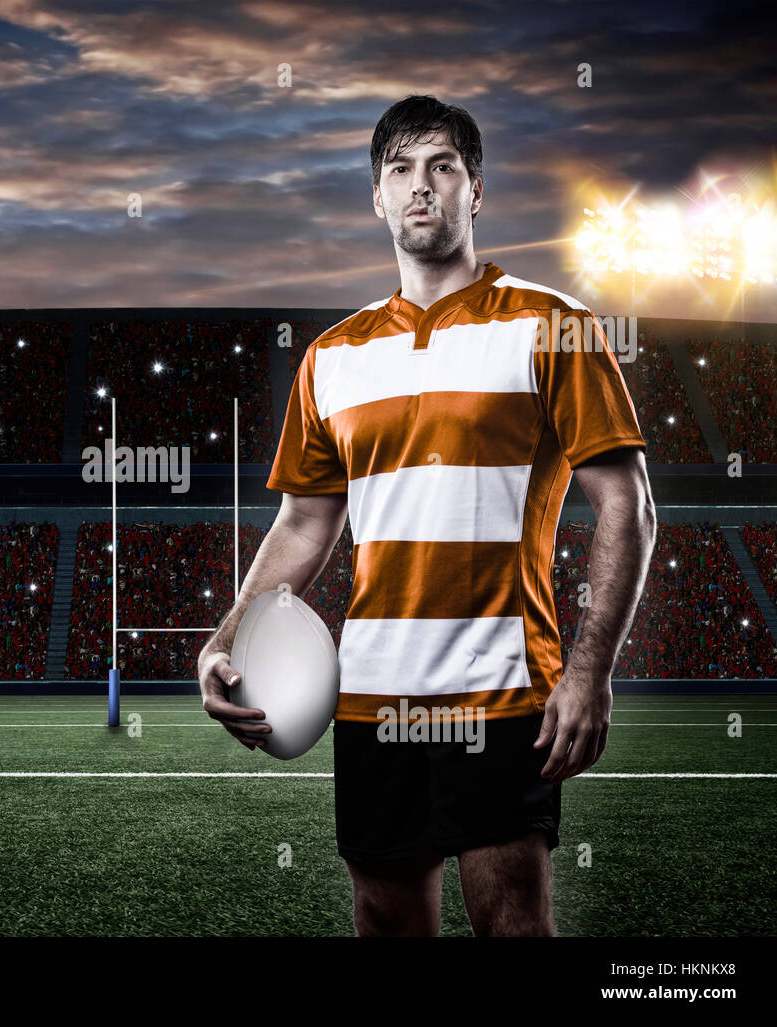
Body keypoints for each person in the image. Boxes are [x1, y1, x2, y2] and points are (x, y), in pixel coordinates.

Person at [197, 95, 656, 937]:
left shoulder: (554, 325)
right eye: (400, 169)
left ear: (474, 188)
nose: (421, 186)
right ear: (376, 197)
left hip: (502, 690)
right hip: (372, 694)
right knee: (383, 920)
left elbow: (625, 503)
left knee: (512, 919)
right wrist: (228, 637)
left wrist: (592, 670)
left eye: (442, 165)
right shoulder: (332, 355)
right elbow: (305, 523)